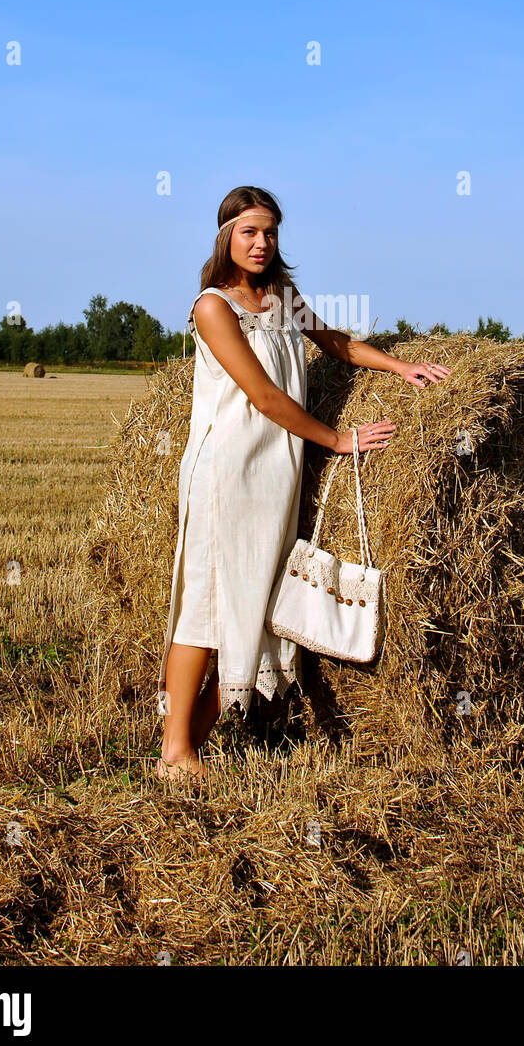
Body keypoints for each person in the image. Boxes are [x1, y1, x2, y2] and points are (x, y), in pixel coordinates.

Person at [155, 186, 451, 783]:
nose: (261, 243)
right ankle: (174, 751)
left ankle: (194, 745)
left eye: (269, 233)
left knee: (260, 604)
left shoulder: (282, 297)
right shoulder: (213, 306)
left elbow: (333, 342)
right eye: (248, 233)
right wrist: (339, 440)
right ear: (225, 238)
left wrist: (399, 367)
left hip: (277, 472)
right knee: (210, 606)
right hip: (227, 472)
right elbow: (263, 395)